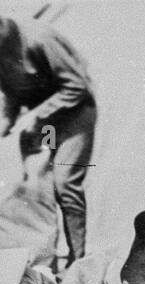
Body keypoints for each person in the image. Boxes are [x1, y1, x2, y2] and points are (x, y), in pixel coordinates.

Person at [0, 16, 95, 265]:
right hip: (47, 125)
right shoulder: (3, 51)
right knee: (38, 185)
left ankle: (78, 263)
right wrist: (6, 125)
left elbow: (77, 86)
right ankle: (46, 263)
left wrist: (36, 116)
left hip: (74, 117)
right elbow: (12, 93)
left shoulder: (40, 38)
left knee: (65, 182)